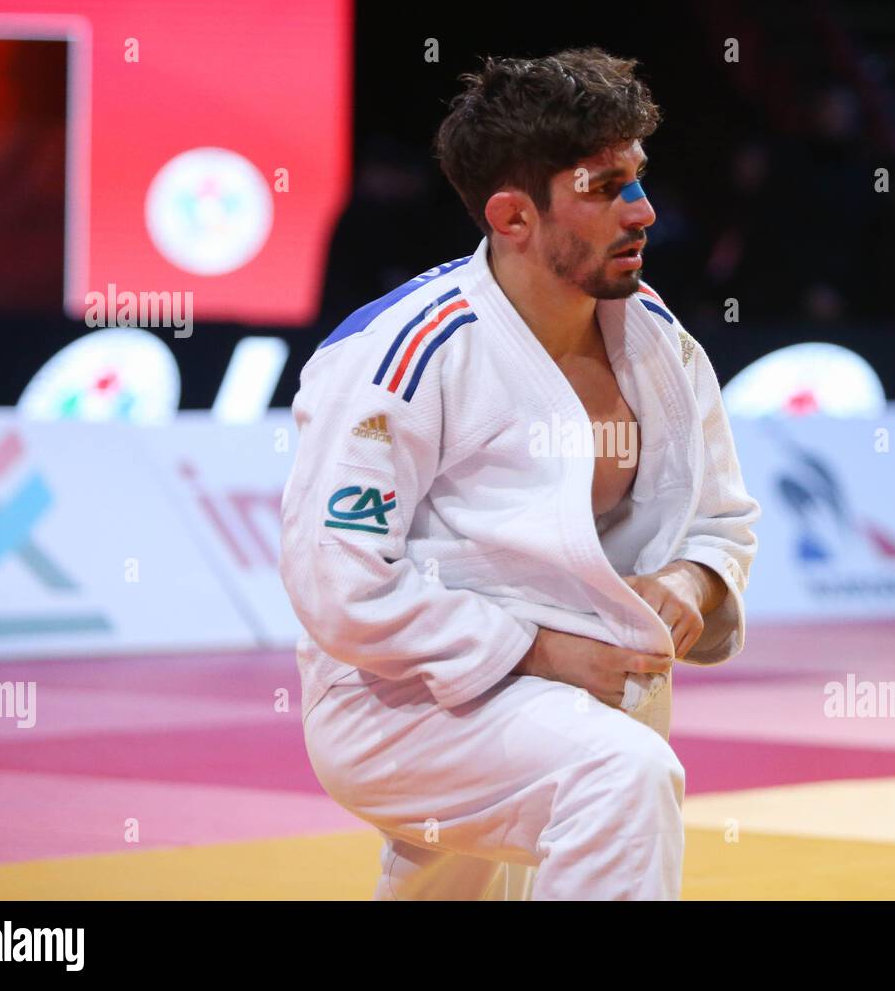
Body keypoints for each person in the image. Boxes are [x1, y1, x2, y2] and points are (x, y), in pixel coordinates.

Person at [279, 47, 759, 900]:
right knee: (618, 782)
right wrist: (542, 653)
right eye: (604, 188)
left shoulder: (651, 332)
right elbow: (338, 581)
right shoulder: (401, 358)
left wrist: (690, 584)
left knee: (462, 879)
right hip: (402, 700)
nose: (644, 210)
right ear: (512, 218)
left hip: (591, 684)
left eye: (639, 178)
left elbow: (721, 520)